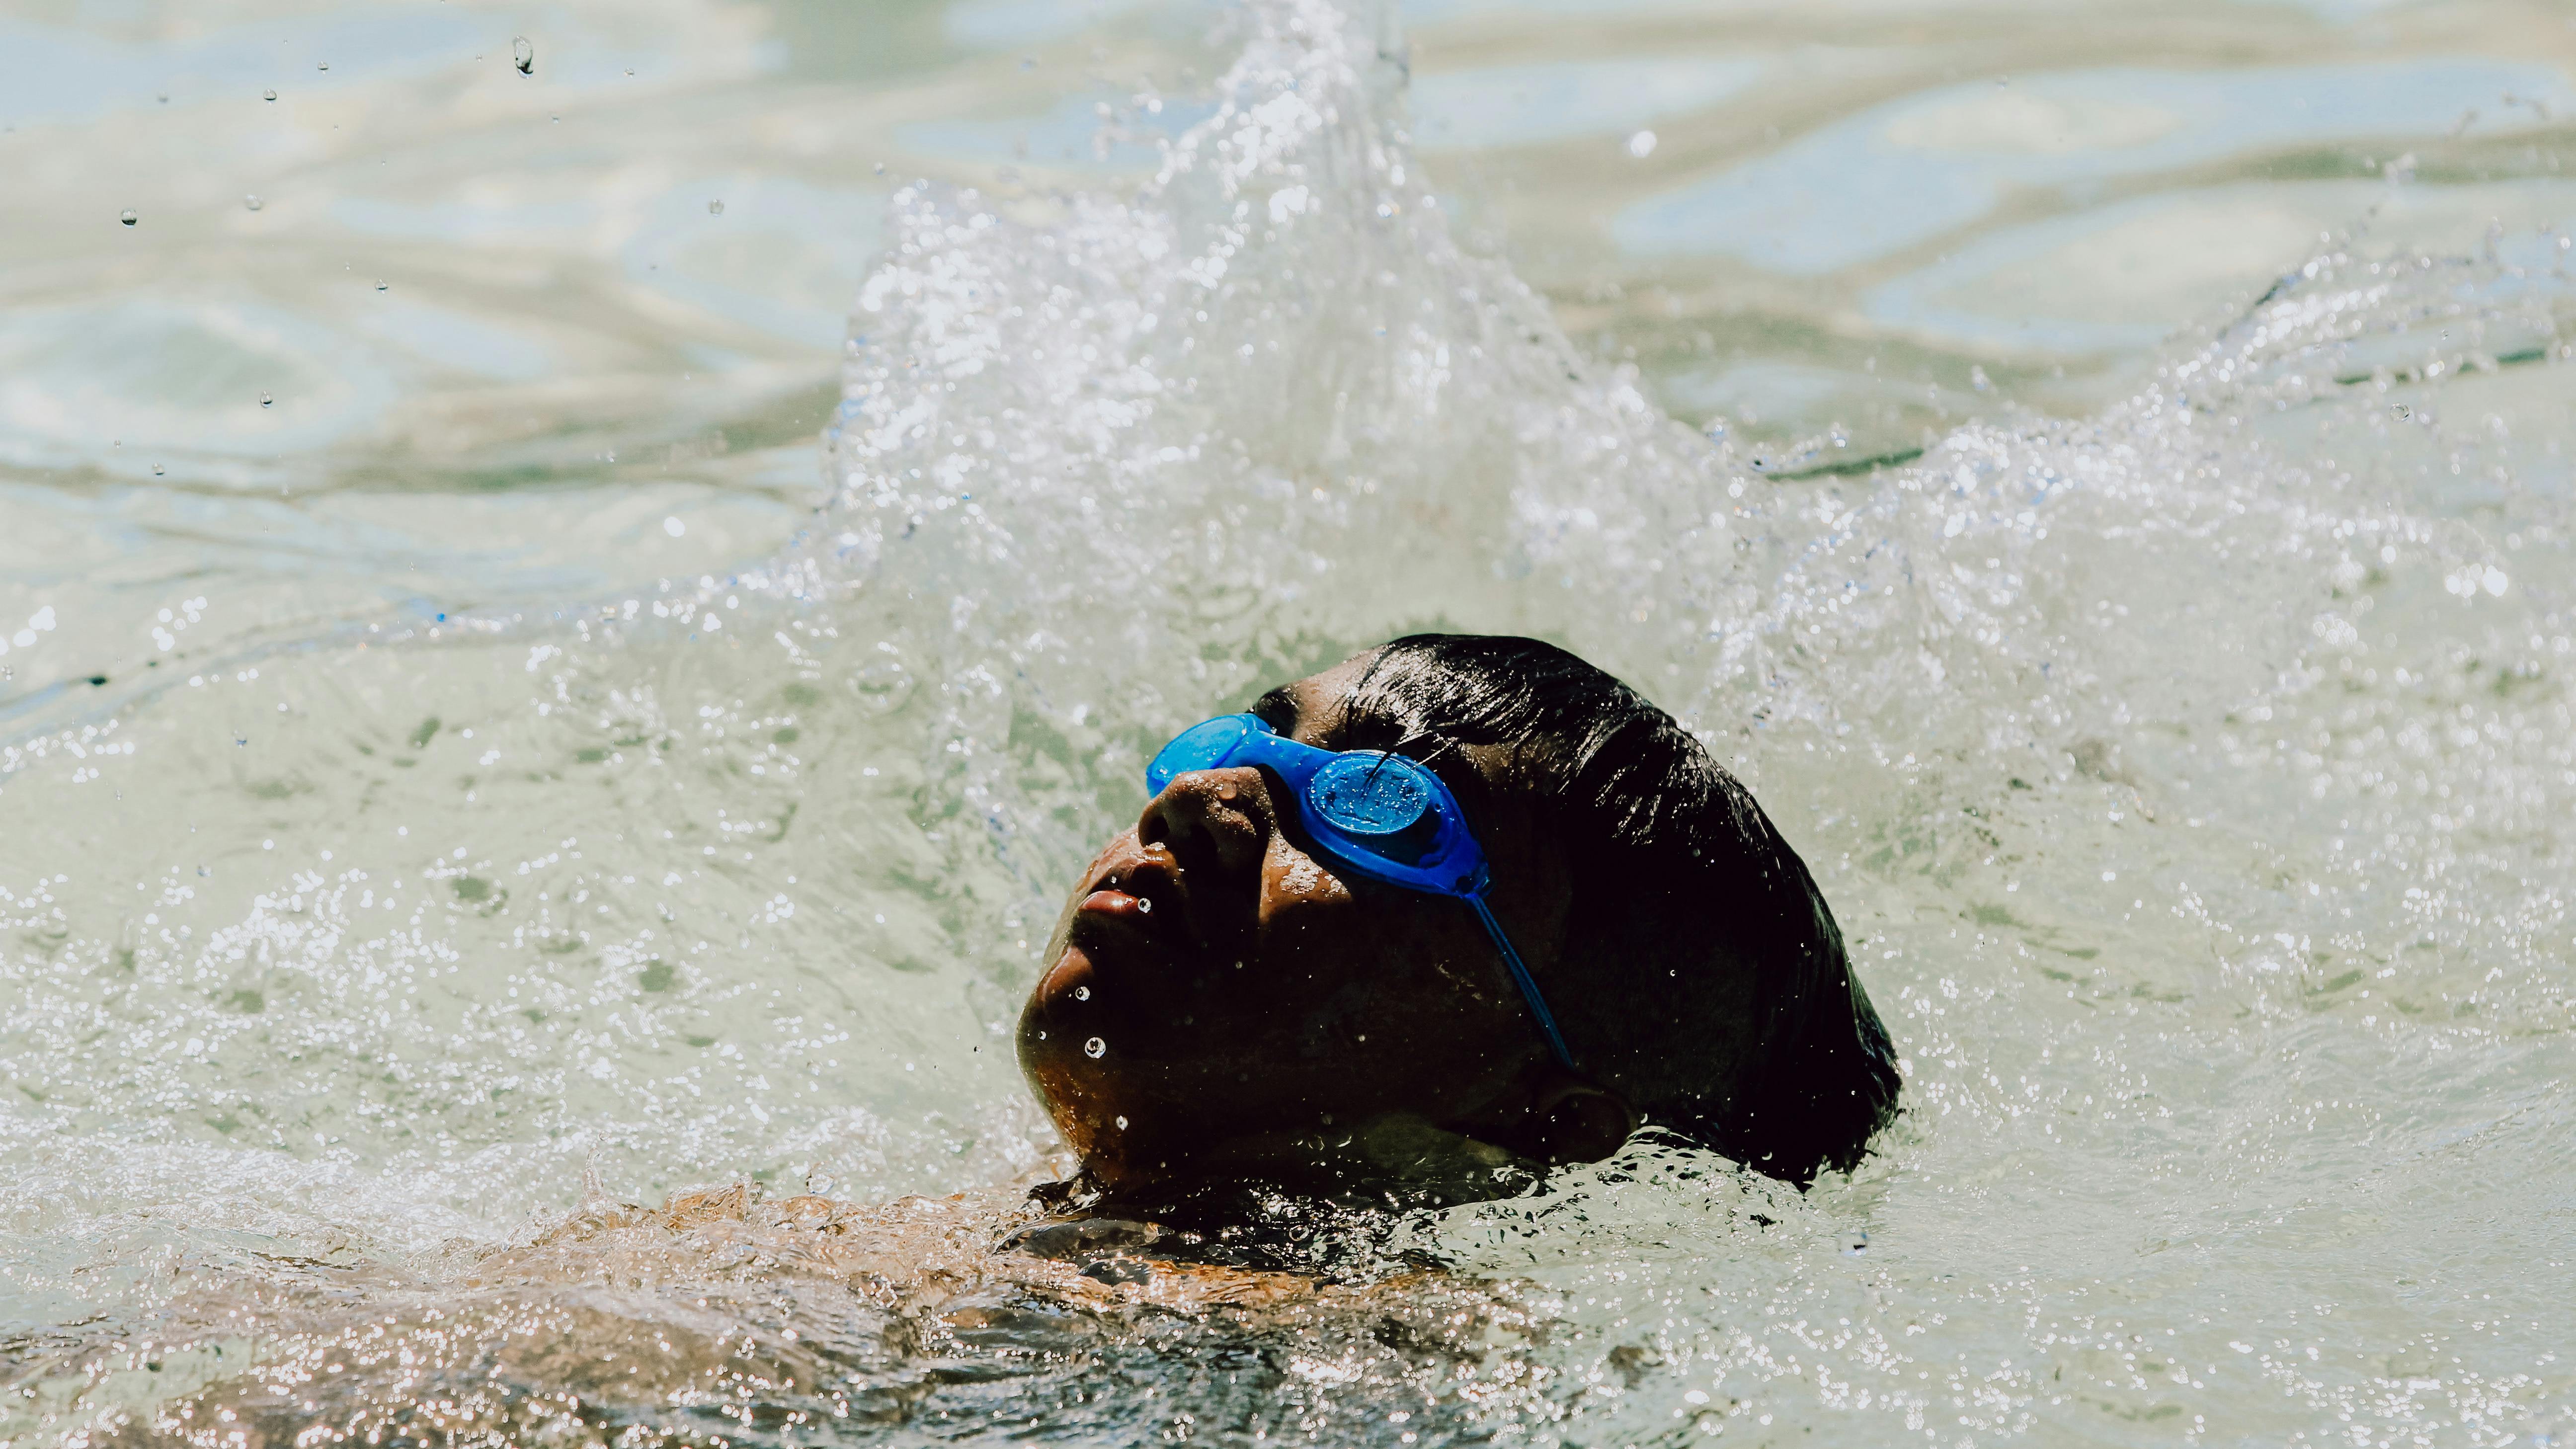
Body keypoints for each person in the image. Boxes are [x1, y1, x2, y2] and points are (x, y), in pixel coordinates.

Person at [1016, 634, 1900, 1234]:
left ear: (1549, 1124)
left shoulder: (1388, 1358)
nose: (1196, 800)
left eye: (1382, 807)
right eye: (1252, 741)